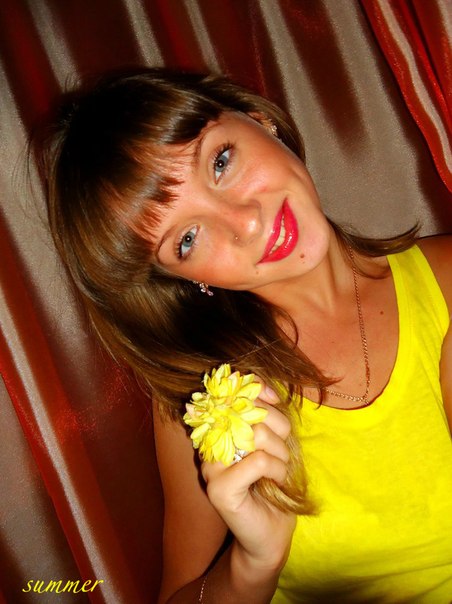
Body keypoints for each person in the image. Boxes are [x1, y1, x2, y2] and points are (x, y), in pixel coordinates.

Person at [38, 67, 452, 603]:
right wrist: (251, 567)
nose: (246, 222)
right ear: (183, 280)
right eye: (187, 239)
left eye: (220, 162)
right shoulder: (206, 401)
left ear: (260, 122)